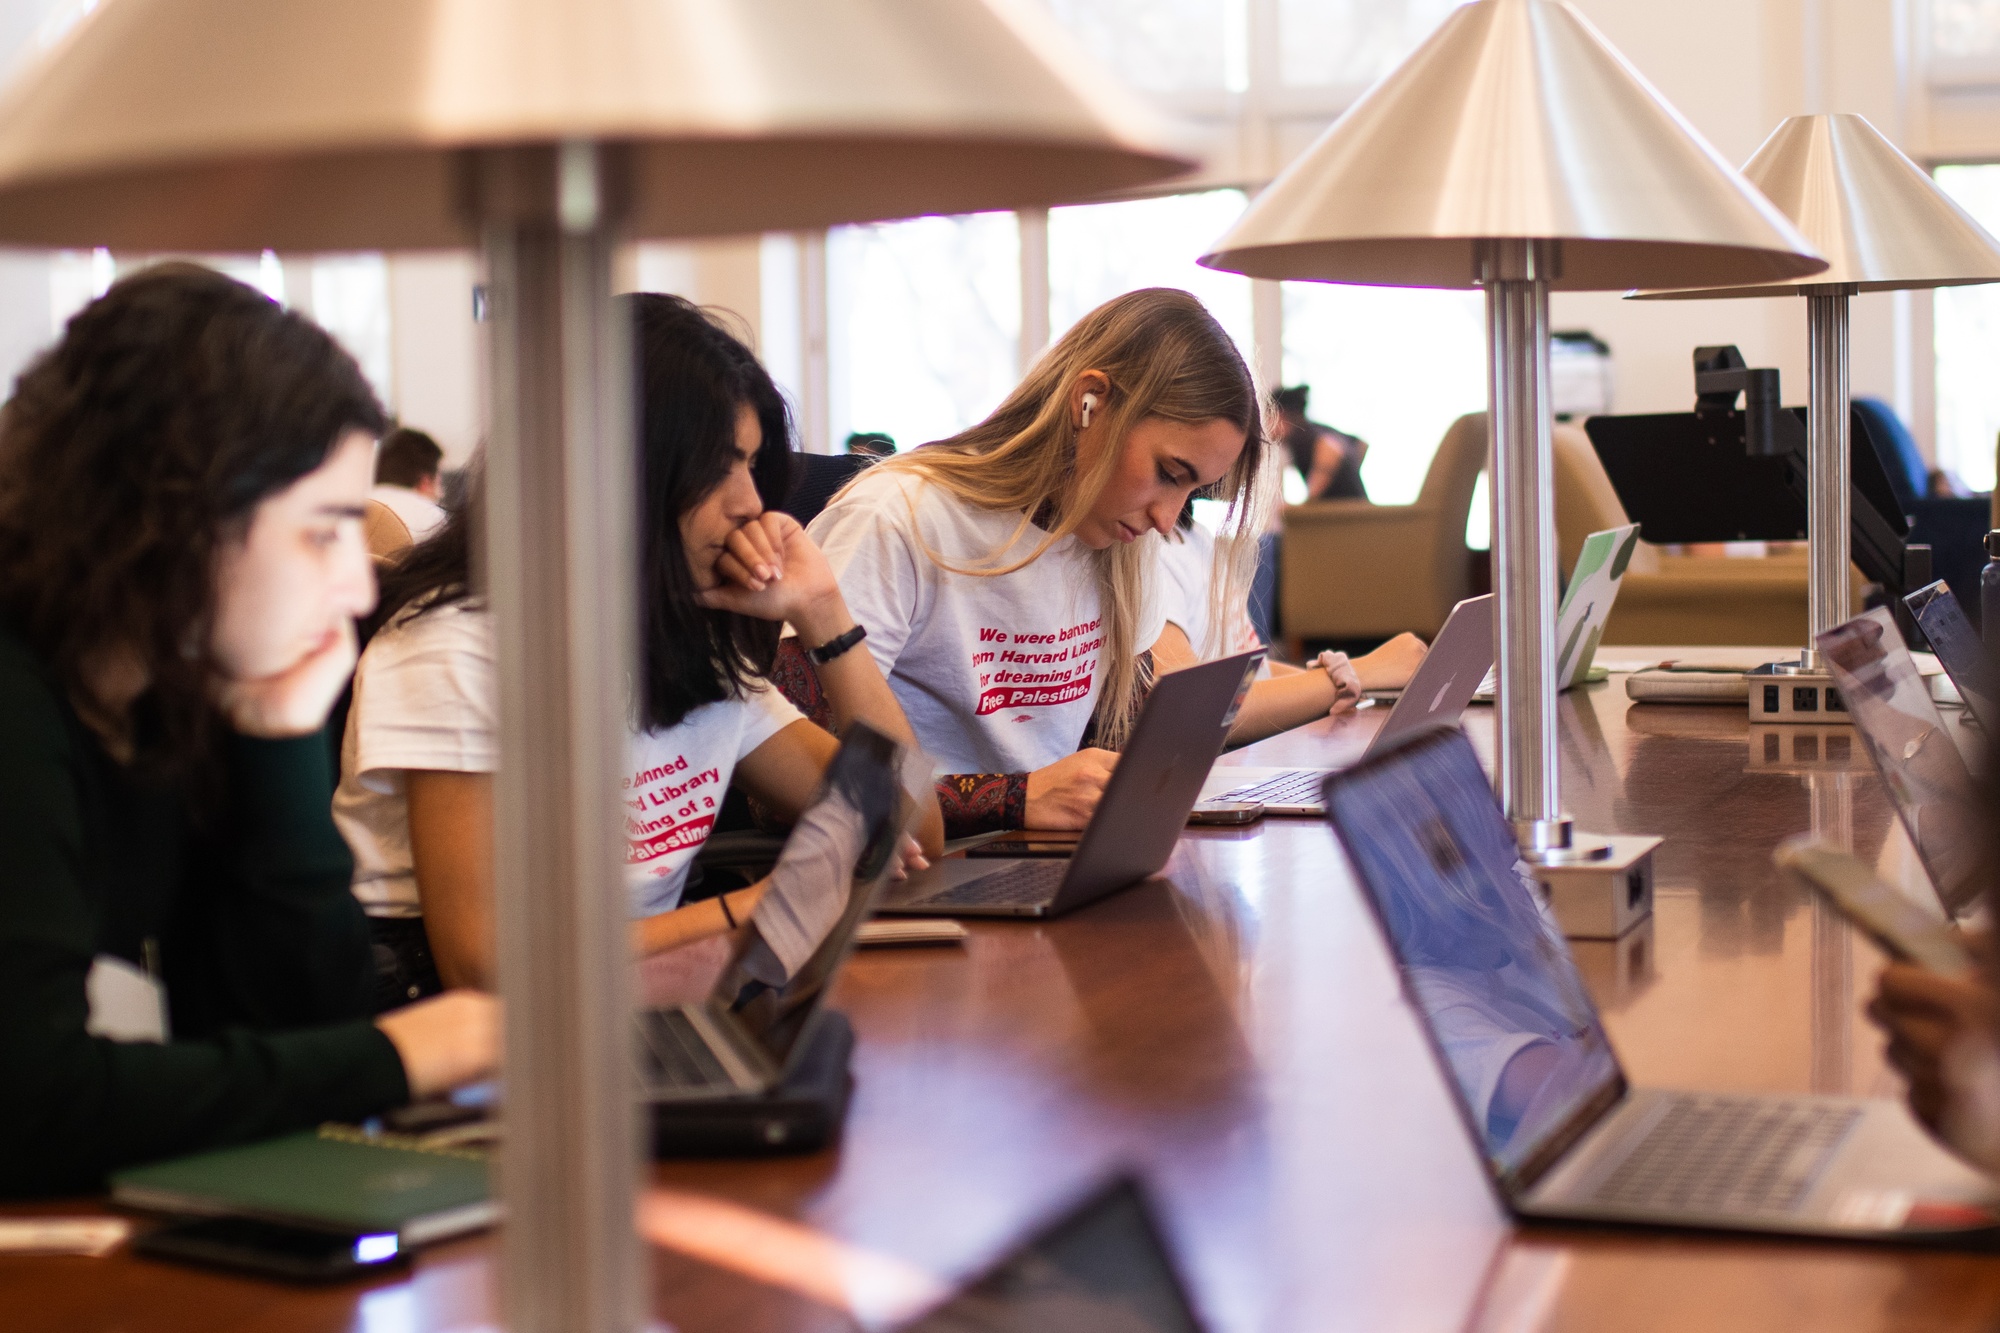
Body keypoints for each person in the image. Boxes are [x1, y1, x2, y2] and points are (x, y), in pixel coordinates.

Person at [0, 264, 494, 1197]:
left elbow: (295, 1026)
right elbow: (30, 1105)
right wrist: (393, 1057)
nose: (357, 587)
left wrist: (274, 744)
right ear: (170, 512)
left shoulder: (182, 687)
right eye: (323, 530)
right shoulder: (17, 700)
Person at [335, 294, 942, 1002]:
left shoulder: (684, 635)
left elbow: (909, 818)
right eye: (720, 465)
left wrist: (823, 612)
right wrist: (748, 909)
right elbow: (490, 969)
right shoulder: (458, 645)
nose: (752, 501)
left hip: (645, 1006)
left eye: (750, 464)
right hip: (472, 1044)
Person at [805, 289, 1423, 834]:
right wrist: (1016, 800)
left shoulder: (1113, 544)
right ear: (1090, 402)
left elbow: (1139, 726)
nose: (1165, 518)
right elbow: (797, 784)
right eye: (1166, 474)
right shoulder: (898, 518)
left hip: (1030, 859)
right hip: (911, 885)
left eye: (1191, 492)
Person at [1151, 499, 1426, 746]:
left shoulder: (1197, 536)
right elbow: (1191, 709)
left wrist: (1361, 688)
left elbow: (1250, 673)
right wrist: (1362, 672)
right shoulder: (1156, 556)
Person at [1275, 384, 1368, 502]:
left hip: (1349, 511)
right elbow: (1361, 444)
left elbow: (1330, 450)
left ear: (1280, 415)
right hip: (1353, 506)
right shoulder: (1315, 428)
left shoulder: (1301, 435)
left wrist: (1309, 501)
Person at [365, 425, 448, 557]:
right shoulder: (433, 517)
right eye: (439, 483)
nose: (441, 493)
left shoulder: (353, 509)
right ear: (425, 483)